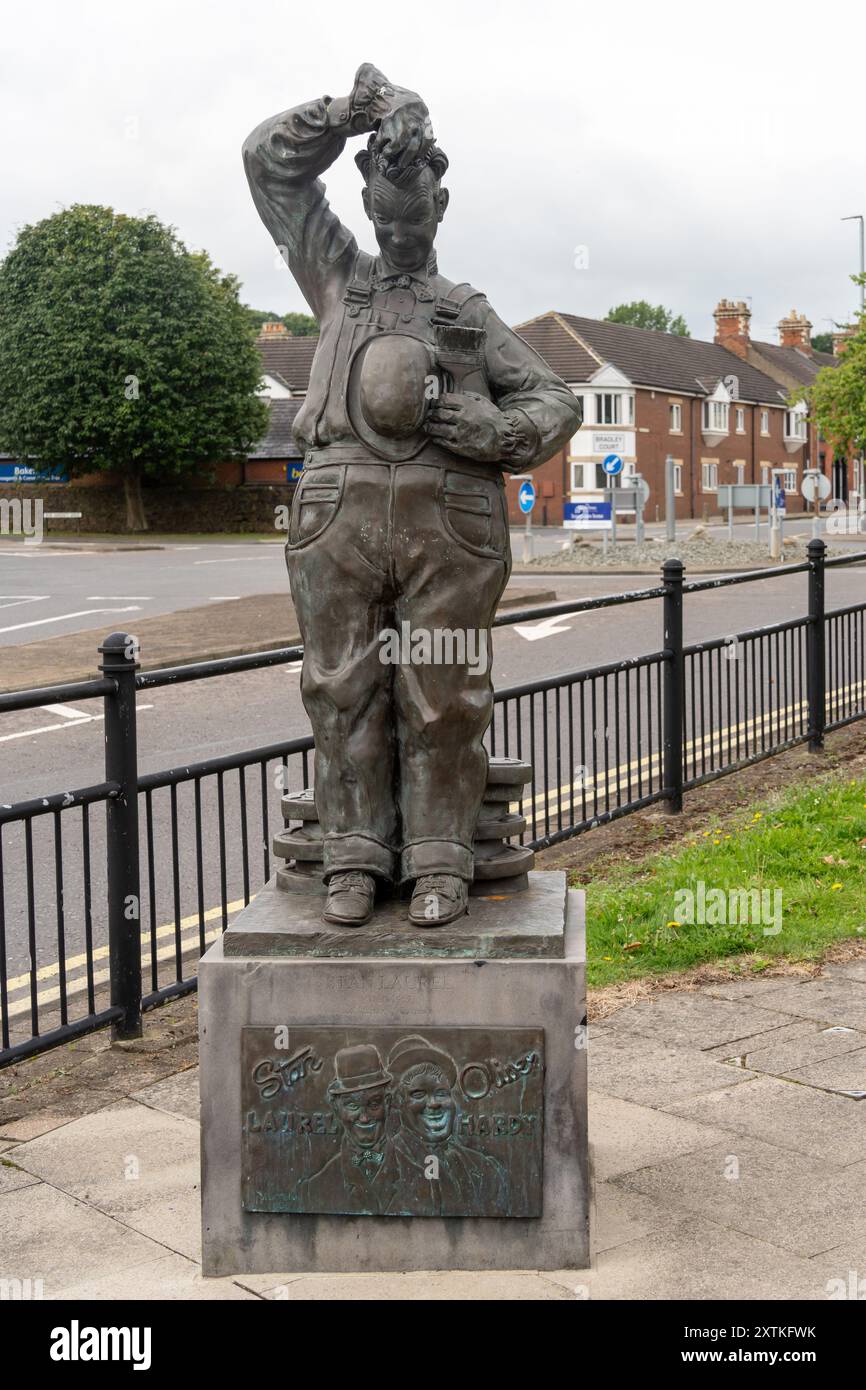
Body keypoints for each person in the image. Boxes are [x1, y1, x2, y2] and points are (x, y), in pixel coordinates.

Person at [244, 63, 581, 928]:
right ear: (368, 211)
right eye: (386, 217)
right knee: (342, 687)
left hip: (447, 524)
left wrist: (501, 434)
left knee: (444, 691)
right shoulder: (332, 276)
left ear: (441, 207)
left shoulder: (467, 311)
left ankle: (440, 855)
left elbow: (555, 398)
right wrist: (349, 112)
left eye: (416, 215)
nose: (400, 232)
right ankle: (353, 855)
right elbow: (266, 161)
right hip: (339, 515)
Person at [386, 1034, 508, 1217]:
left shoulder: (483, 1168)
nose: (434, 1103)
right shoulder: (379, 1169)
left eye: (442, 1093)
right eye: (418, 1095)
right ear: (398, 1103)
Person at [299, 1043, 398, 1215]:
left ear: (387, 1103)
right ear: (337, 1109)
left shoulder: (420, 1174)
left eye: (374, 1104)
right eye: (352, 1105)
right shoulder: (315, 1188)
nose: (364, 1117)